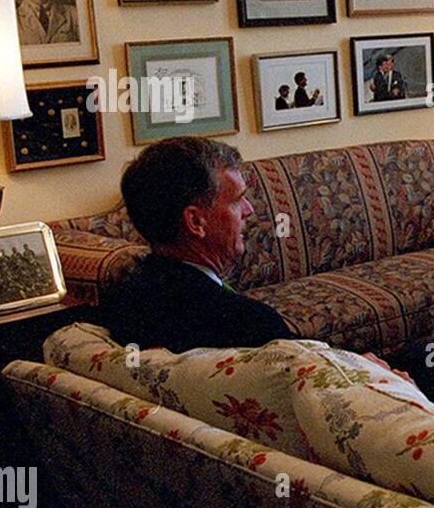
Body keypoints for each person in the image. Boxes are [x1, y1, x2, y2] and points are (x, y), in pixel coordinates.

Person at [101, 138, 434, 420]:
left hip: (335, 382)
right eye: (238, 201)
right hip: (376, 414)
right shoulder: (245, 323)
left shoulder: (127, 296)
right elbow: (318, 383)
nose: (252, 212)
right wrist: (378, 376)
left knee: (424, 355)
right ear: (196, 222)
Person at [100, 138, 296, 353]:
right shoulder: (252, 325)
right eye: (236, 200)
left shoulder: (122, 301)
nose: (248, 209)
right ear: (195, 222)